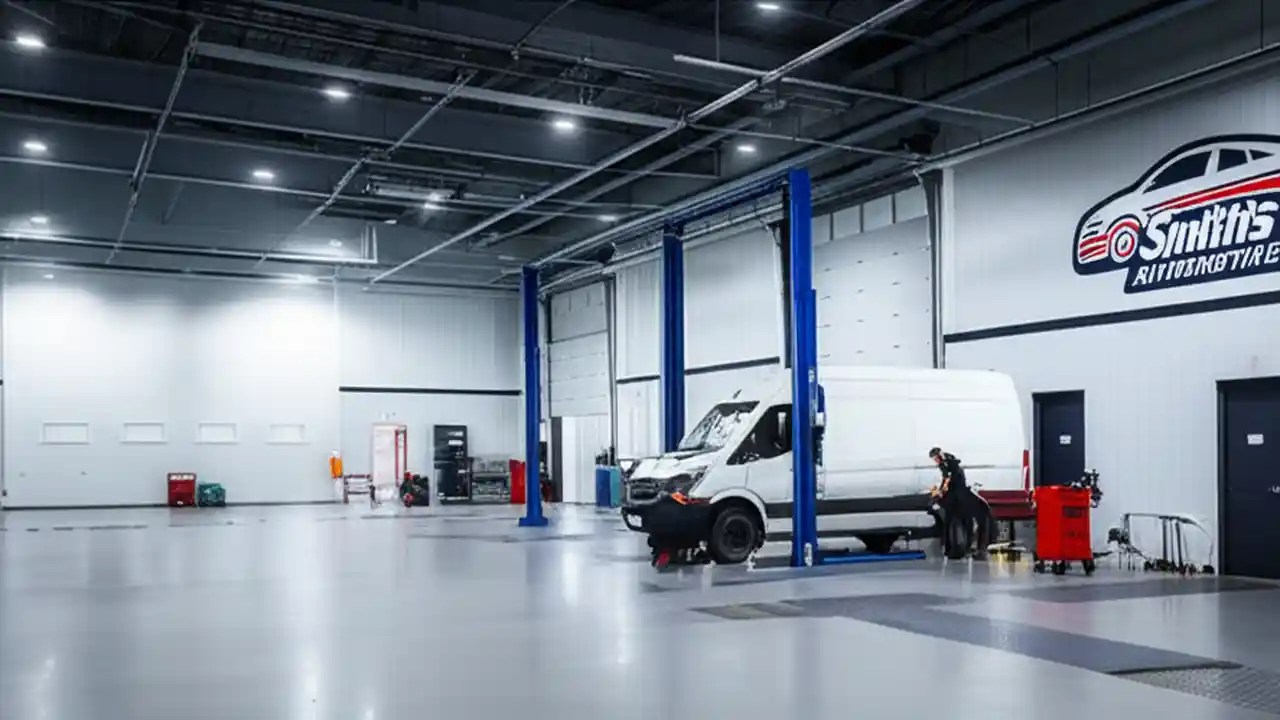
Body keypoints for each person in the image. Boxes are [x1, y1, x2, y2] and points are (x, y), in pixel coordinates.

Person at [929, 447, 990, 559]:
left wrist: (940, 492)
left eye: (936, 459)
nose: (936, 461)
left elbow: (947, 479)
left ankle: (960, 548)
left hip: (957, 498)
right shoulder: (950, 463)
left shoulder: (947, 465)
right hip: (959, 497)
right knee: (962, 523)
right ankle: (965, 547)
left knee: (956, 522)